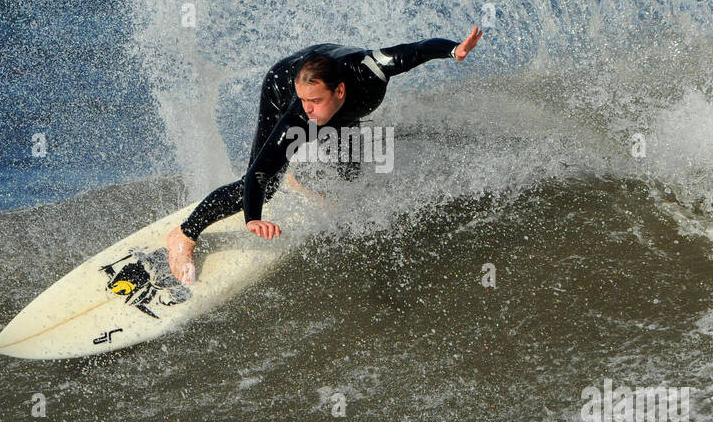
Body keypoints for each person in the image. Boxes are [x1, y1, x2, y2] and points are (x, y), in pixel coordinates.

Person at [166, 26, 484, 284]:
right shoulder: (299, 113)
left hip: (332, 75)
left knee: (350, 171)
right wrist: (253, 218)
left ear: (341, 92)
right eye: (305, 103)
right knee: (269, 182)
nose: (308, 111)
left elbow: (417, 49)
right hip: (280, 85)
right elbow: (258, 173)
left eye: (314, 102)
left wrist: (454, 50)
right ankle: (184, 234)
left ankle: (300, 181)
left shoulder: (371, 69)